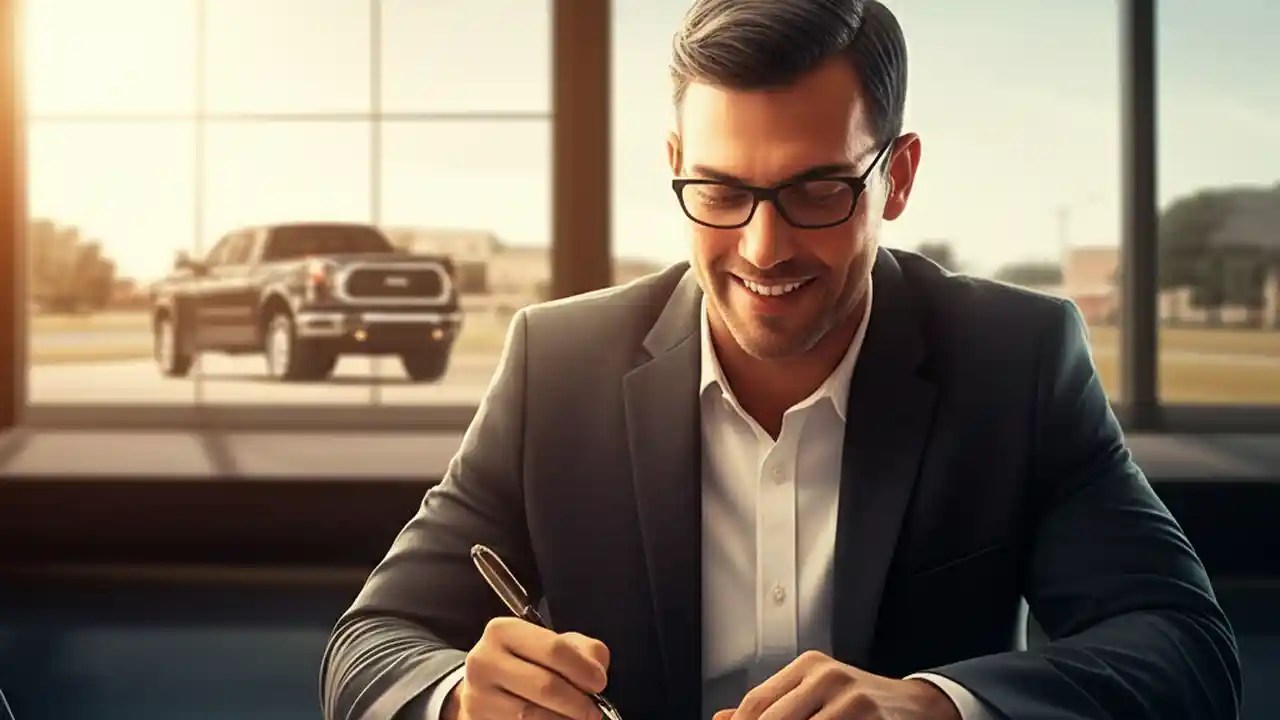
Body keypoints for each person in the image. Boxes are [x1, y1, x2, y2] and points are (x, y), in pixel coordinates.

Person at [321, 1, 1242, 718]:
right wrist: (456, 698)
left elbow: (1184, 650)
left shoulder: (1019, 362)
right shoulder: (554, 365)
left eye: (818, 192)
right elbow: (371, 644)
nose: (763, 250)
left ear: (899, 176)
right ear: (676, 163)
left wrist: (933, 704)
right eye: (720, 190)